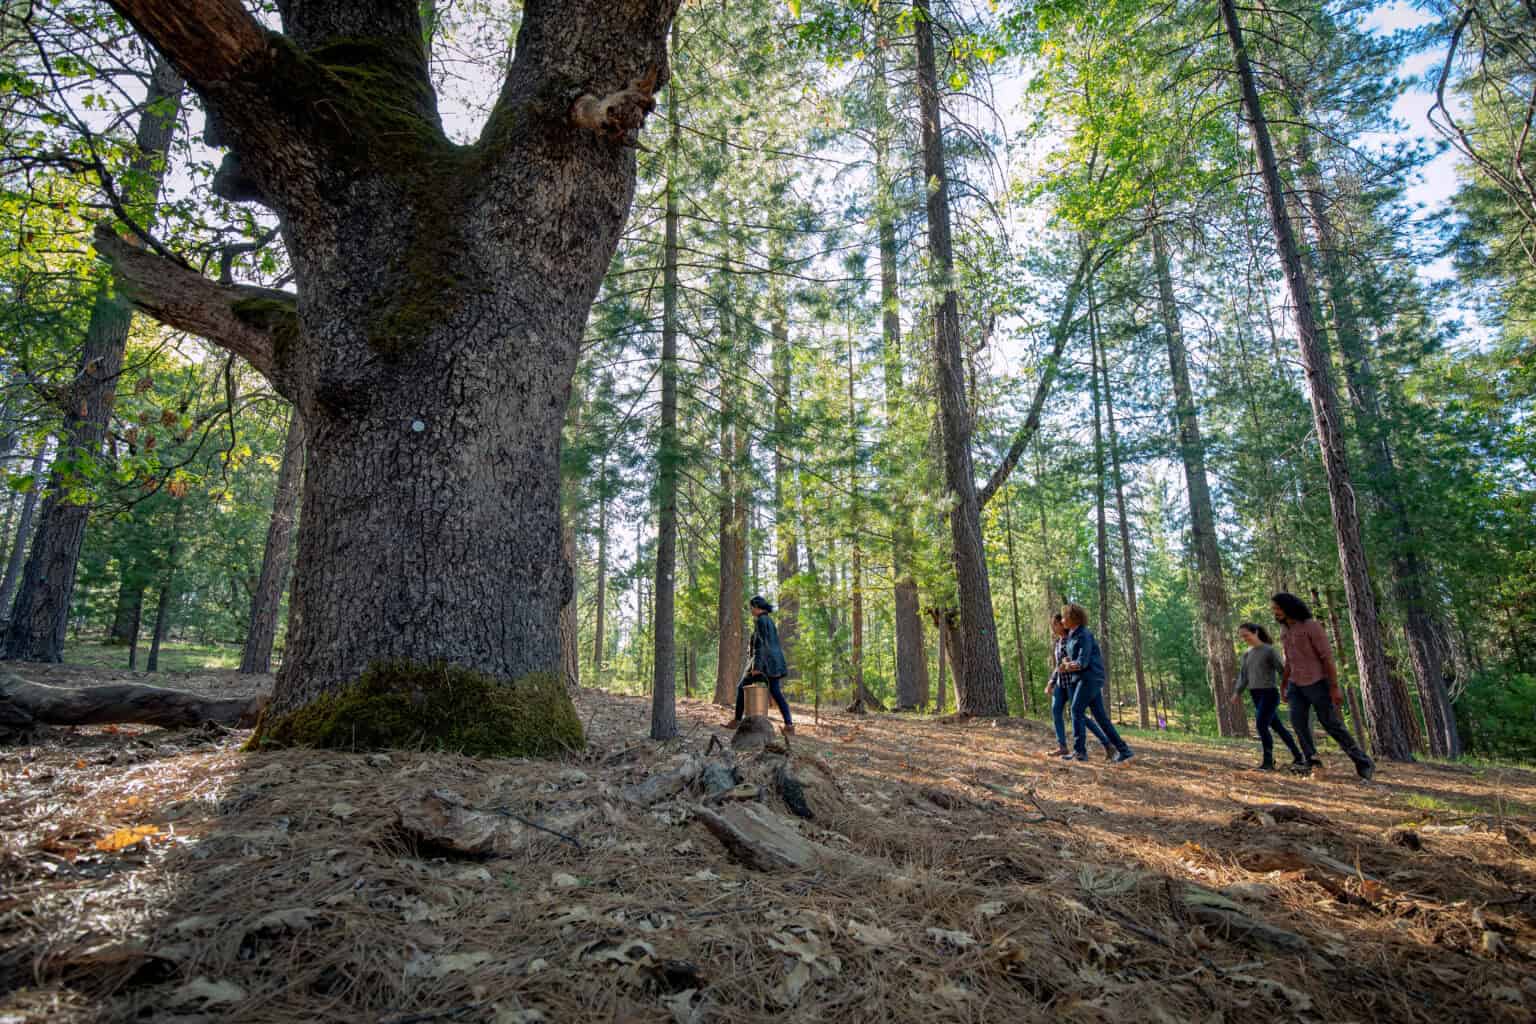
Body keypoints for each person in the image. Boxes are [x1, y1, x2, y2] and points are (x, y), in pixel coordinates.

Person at [1272, 592, 1375, 781]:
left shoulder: (1311, 627)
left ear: (1288, 607)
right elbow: (1289, 660)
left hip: (1317, 682)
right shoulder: (1285, 631)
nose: (1275, 612)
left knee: (1331, 724)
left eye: (1277, 608)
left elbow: (1327, 658)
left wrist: (1334, 687)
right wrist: (1284, 683)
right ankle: (1312, 761)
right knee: (1298, 723)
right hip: (1295, 684)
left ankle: (1363, 761)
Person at [1058, 603, 1134, 764]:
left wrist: (1068, 665)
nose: (1062, 620)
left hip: (1090, 678)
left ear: (1073, 618)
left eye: (1064, 617)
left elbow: (1083, 662)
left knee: (1076, 710)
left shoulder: (1084, 635)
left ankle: (1080, 752)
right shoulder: (1072, 634)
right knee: (1100, 717)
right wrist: (1067, 662)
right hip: (1083, 679)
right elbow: (1075, 659)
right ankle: (1124, 750)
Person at [1230, 622, 1304, 771]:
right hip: (1255, 694)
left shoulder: (1269, 650)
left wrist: (1289, 689)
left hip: (1269, 693)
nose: (1244, 638)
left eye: (1246, 635)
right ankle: (1298, 756)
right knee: (1278, 727)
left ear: (1255, 632)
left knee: (1261, 725)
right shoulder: (1247, 654)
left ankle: (1268, 762)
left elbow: (1283, 671)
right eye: (1242, 636)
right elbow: (1243, 676)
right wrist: (1237, 692)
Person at [1045, 613, 1111, 759]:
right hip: (1060, 683)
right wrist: (1051, 681)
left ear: (1063, 624)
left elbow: (1077, 661)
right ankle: (1062, 746)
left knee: (1079, 715)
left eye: (1056, 624)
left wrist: (1069, 666)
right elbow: (1058, 665)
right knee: (1056, 711)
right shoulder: (1058, 642)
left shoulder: (1073, 639)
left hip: (1073, 682)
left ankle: (1106, 743)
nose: (1054, 627)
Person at [729, 595, 794, 734]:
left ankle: (737, 720)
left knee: (741, 687)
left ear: (757, 607)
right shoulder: (769, 621)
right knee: (776, 692)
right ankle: (789, 725)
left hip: (765, 664)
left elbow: (761, 645)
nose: (751, 610)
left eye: (752, 607)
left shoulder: (761, 621)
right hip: (774, 663)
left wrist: (757, 667)